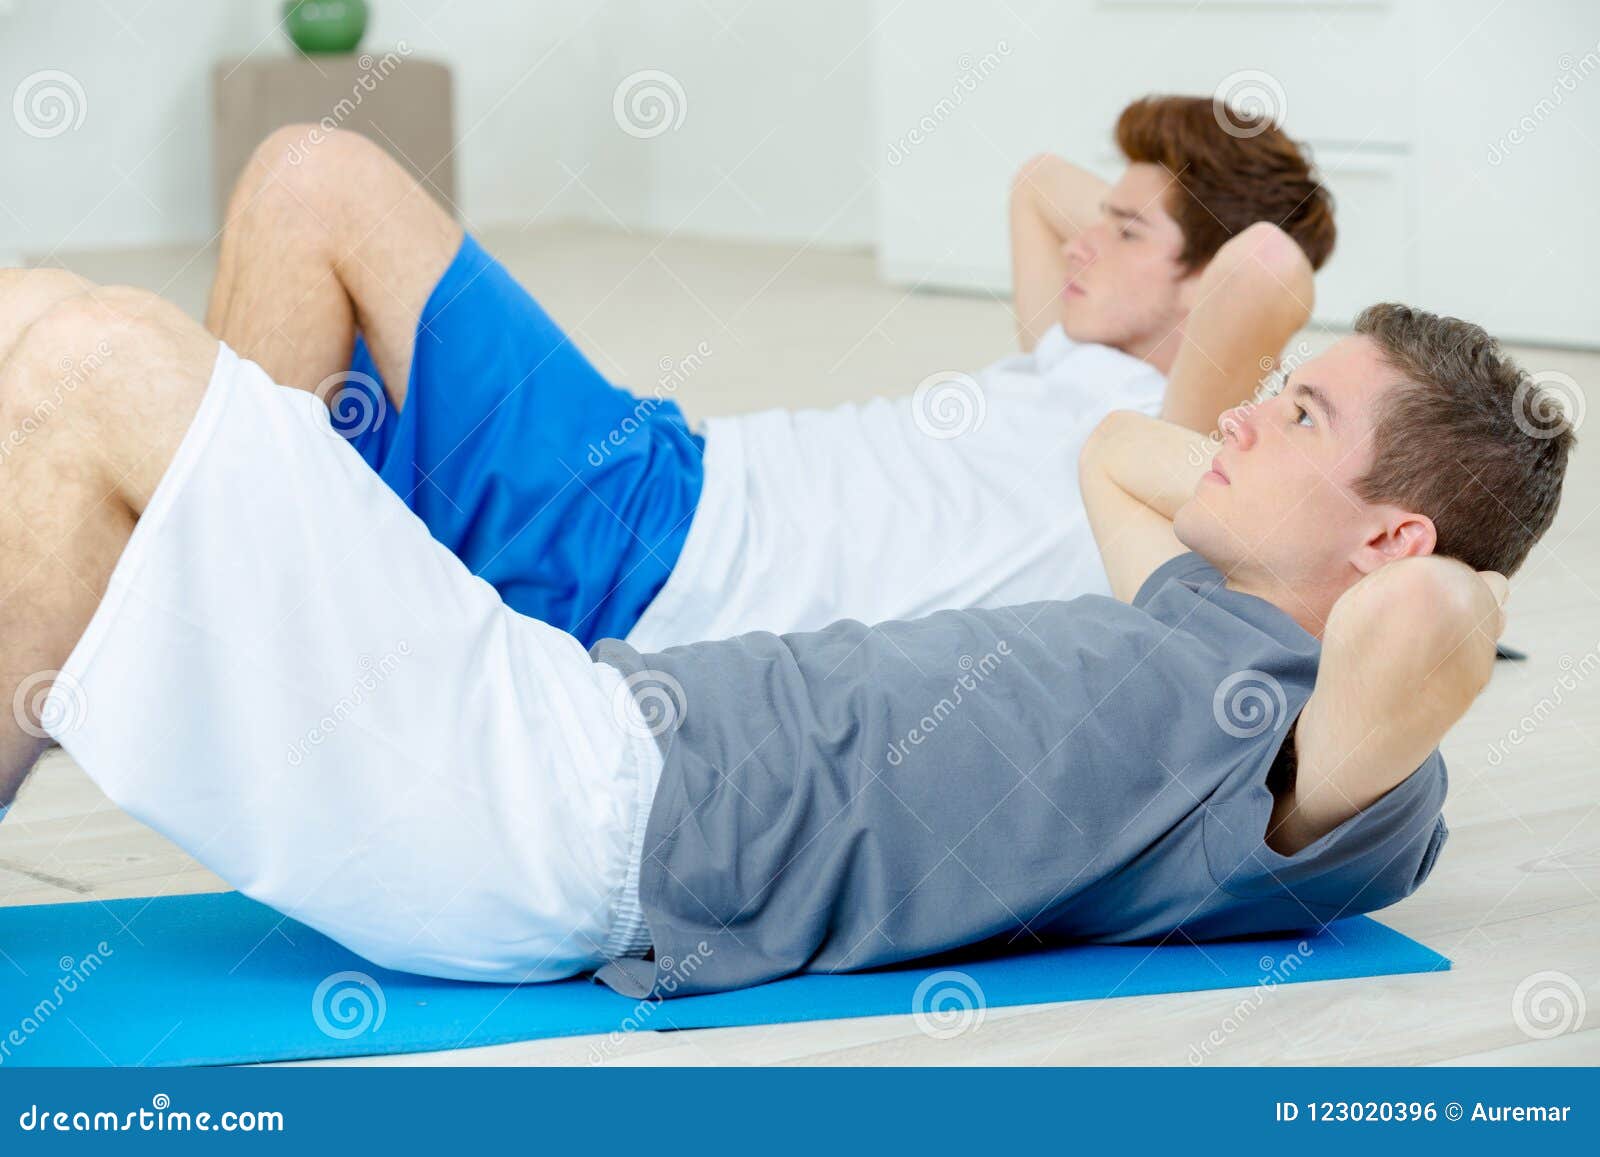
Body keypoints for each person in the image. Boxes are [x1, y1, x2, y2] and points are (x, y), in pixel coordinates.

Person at [0, 268, 1570, 996]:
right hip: (554, 729)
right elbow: (1112, 454)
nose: (1237, 408)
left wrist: (1423, 541)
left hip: (572, 818)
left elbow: (1440, 610)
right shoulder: (1195, 621)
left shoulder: (1303, 760)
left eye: (1294, 410)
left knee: (96, 352)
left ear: (1386, 537)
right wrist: (1286, 484)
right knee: (43, 370)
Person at [204, 95, 1334, 649]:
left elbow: (1269, 268)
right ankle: (214, 591)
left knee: (315, 179)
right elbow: (1039, 182)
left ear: (1205, 288)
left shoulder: (1170, 450)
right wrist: (1151, 223)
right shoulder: (1072, 357)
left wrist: (1215, 265)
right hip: (648, 475)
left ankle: (201, 608)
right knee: (239, 342)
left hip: (647, 544)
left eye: (1127, 232)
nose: (1082, 240)